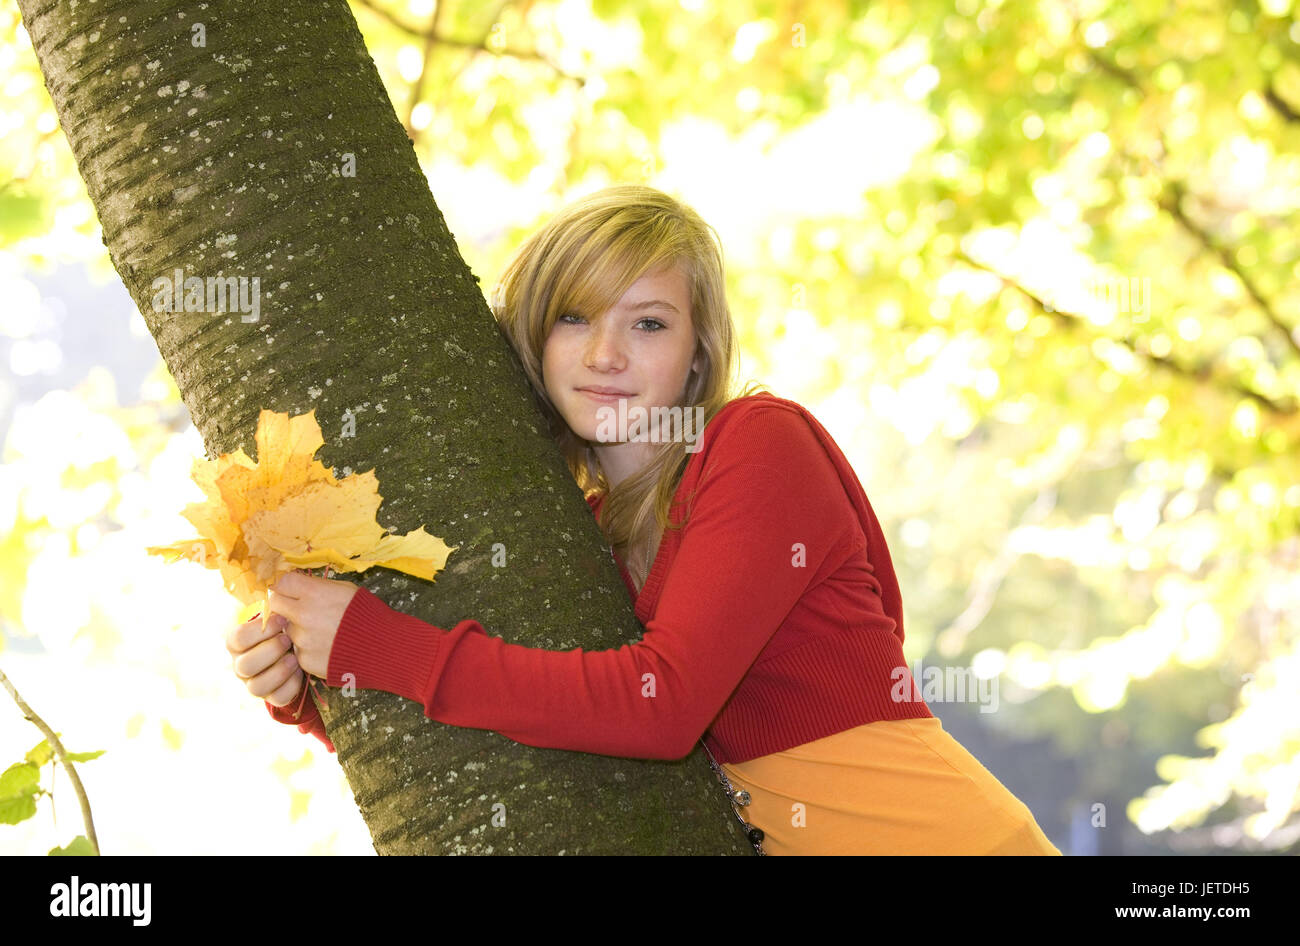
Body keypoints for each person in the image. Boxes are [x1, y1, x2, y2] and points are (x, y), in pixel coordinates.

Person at [226, 185, 1061, 855]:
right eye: (575, 317)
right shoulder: (572, 537)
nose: (605, 356)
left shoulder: (755, 445)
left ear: (697, 352)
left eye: (649, 323)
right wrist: (322, 692)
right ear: (533, 339)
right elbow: (526, 740)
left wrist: (377, 644)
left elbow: (656, 711)